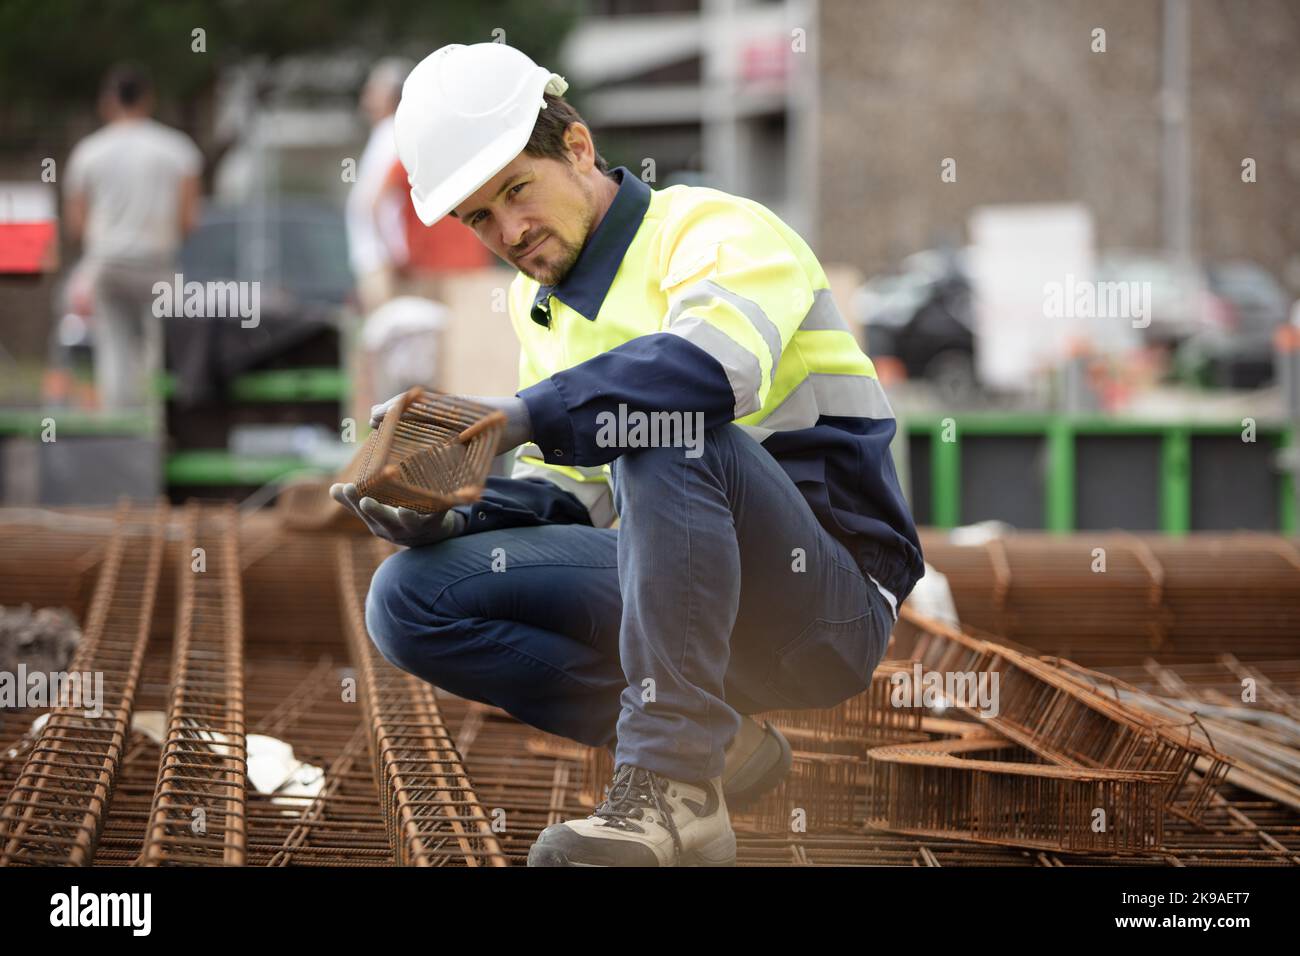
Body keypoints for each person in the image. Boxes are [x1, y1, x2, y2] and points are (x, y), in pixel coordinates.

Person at [331, 42, 924, 867]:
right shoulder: (540, 310)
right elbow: (574, 498)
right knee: (407, 599)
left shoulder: (717, 229)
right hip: (681, 597)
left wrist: (521, 413)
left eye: (515, 192)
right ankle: (722, 752)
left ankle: (669, 786)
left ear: (576, 147)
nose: (509, 232)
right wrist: (453, 503)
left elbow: (710, 372)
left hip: (822, 606)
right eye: (479, 218)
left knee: (662, 424)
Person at [64, 63, 202, 412]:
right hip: (157, 263)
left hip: (108, 262)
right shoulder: (177, 149)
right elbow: (188, 219)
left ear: (108, 101)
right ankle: (161, 423)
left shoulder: (88, 152)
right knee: (162, 350)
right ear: (148, 99)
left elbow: (76, 223)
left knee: (113, 349)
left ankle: (119, 428)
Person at [346, 57, 414, 316]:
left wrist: (392, 253)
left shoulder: (392, 133)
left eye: (374, 90)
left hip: (382, 258)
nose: (367, 96)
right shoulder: (383, 133)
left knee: (389, 330)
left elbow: (379, 199)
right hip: (375, 256)